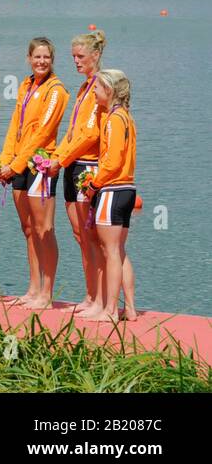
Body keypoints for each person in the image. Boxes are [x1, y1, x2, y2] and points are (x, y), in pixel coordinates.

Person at [46, 29, 134, 318]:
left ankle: (103, 301)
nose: (75, 61)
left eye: (80, 56)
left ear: (96, 56)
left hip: (88, 167)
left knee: (96, 238)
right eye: (73, 56)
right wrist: (59, 157)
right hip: (72, 163)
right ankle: (91, 294)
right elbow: (73, 132)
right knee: (81, 235)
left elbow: (90, 134)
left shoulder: (102, 88)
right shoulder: (85, 88)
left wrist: (62, 158)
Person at [0, 37, 69, 310]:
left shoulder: (56, 90)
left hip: (40, 163)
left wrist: (15, 165)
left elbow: (43, 132)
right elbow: (15, 126)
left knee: (43, 229)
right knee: (28, 230)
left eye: (46, 58)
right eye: (37, 57)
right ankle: (33, 287)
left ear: (52, 60)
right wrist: (6, 160)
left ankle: (47, 293)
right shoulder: (26, 85)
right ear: (28, 58)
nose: (41, 62)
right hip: (19, 163)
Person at [79, 69, 139, 323]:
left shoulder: (114, 119)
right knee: (119, 251)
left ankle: (111, 310)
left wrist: (93, 185)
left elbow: (112, 161)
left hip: (112, 189)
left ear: (110, 91)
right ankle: (131, 309)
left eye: (98, 87)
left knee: (110, 251)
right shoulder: (126, 117)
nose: (94, 90)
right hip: (127, 189)